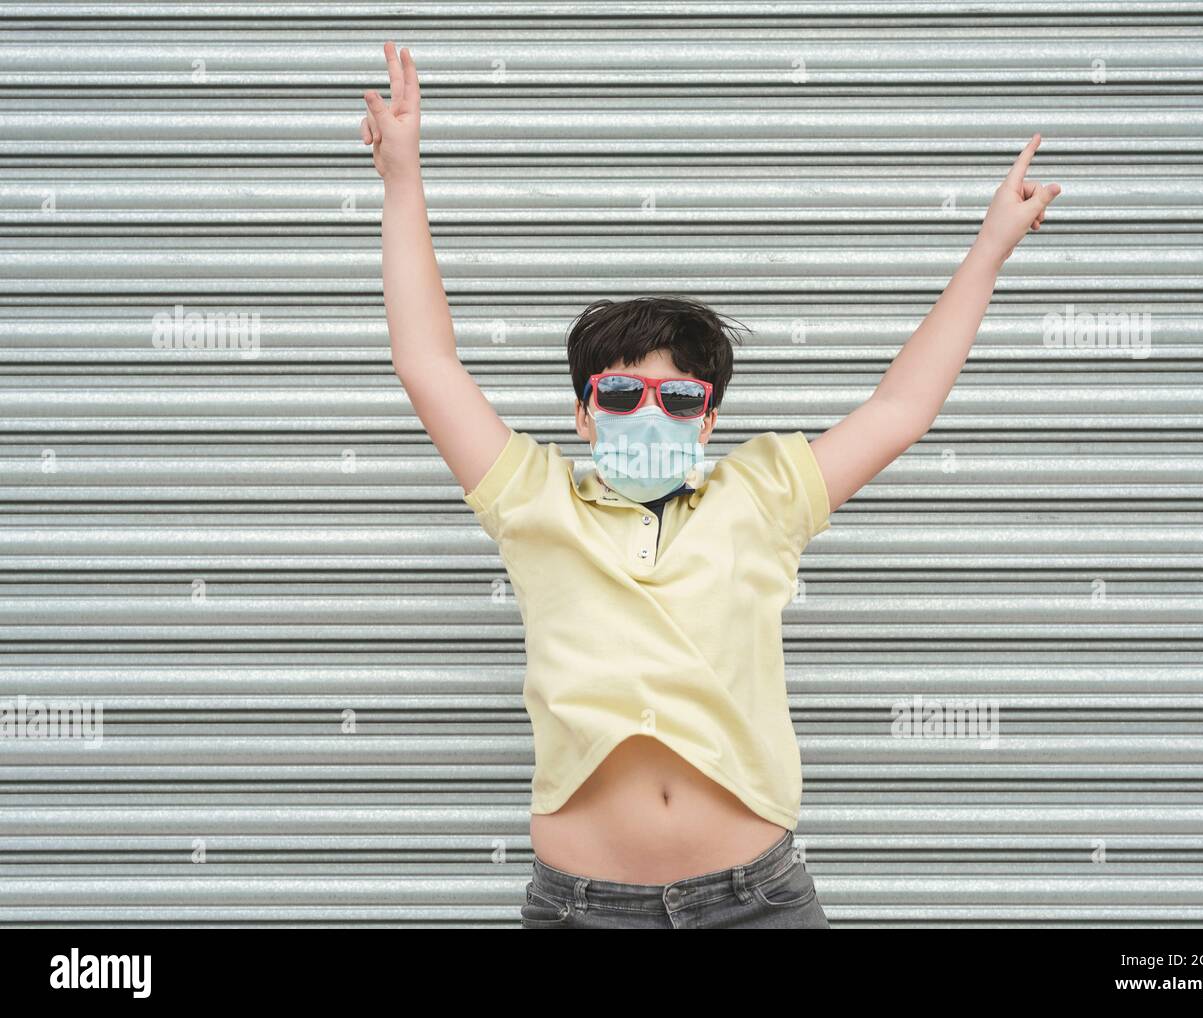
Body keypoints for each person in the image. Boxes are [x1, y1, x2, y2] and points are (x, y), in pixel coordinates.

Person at [361, 41, 1060, 929]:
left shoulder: (763, 494)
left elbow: (899, 407)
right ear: (582, 414)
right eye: (618, 391)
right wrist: (402, 183)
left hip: (755, 901)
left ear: (710, 417)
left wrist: (991, 247)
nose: (646, 411)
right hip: (582, 908)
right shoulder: (531, 500)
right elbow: (426, 364)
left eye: (677, 395)